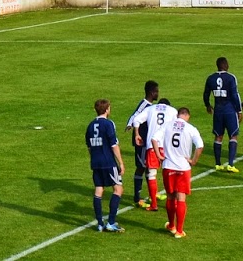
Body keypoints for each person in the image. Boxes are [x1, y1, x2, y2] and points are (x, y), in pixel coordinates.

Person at [153, 107, 203, 239]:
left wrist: (159, 155)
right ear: (188, 116)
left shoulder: (168, 125)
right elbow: (200, 146)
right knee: (181, 198)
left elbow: (154, 139)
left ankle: (171, 226)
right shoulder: (191, 128)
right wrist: (193, 161)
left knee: (170, 197)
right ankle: (179, 231)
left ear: (178, 115)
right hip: (183, 167)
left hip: (168, 166)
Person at [126, 81, 173, 213]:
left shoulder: (151, 107)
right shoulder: (145, 105)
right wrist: (130, 126)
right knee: (141, 167)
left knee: (149, 167)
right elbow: (135, 116)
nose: (158, 93)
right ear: (152, 92)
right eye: (156, 91)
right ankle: (137, 197)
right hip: (141, 142)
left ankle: (153, 193)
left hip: (148, 142)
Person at [86, 98, 125, 233]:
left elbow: (89, 147)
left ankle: (99, 224)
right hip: (108, 162)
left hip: (95, 162)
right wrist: (120, 162)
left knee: (98, 189)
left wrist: (94, 159)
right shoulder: (108, 124)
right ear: (107, 109)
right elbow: (114, 145)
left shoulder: (90, 125)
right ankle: (111, 222)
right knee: (118, 189)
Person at [202, 57, 242, 171]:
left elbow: (205, 94)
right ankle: (230, 164)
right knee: (233, 135)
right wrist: (239, 110)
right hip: (229, 110)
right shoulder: (231, 78)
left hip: (218, 111)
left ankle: (218, 164)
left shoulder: (211, 78)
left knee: (218, 136)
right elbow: (235, 95)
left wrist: (208, 105)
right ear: (225, 65)